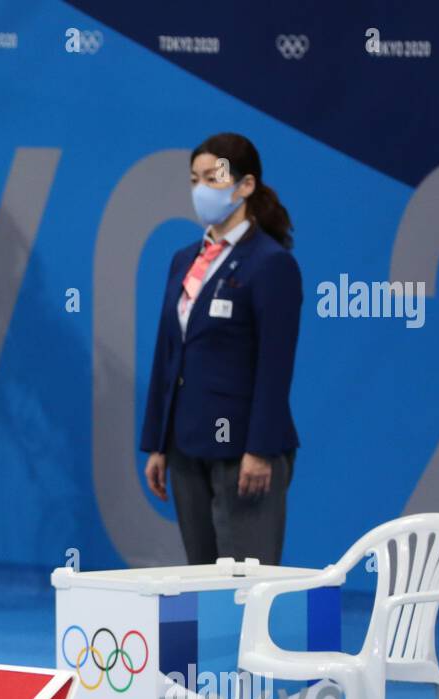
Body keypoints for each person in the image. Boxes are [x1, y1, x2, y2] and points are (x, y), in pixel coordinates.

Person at [140, 132, 302, 569]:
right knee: (201, 580)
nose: (201, 190)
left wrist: (261, 449)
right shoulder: (184, 259)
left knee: (248, 584)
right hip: (186, 447)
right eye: (195, 179)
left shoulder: (271, 263)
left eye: (213, 178)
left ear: (245, 185)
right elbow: (168, 350)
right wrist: (158, 442)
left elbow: (275, 365)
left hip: (243, 451)